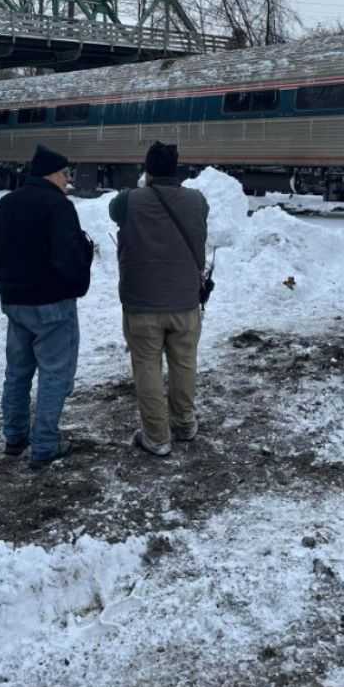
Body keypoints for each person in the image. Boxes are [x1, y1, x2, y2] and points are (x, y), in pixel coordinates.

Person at [0, 144, 94, 469]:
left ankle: (14, 437)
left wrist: (8, 278)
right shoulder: (59, 207)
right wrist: (76, 283)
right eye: (66, 174)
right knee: (55, 374)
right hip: (53, 305)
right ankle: (45, 445)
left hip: (16, 303)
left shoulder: (7, 202)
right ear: (52, 174)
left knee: (17, 372)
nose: (68, 181)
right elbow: (68, 258)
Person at [108, 142, 210, 457]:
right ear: (177, 169)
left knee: (147, 367)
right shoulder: (198, 201)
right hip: (185, 302)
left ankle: (156, 436)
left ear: (147, 170)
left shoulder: (128, 201)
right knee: (184, 363)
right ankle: (184, 424)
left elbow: (115, 211)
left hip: (141, 304)